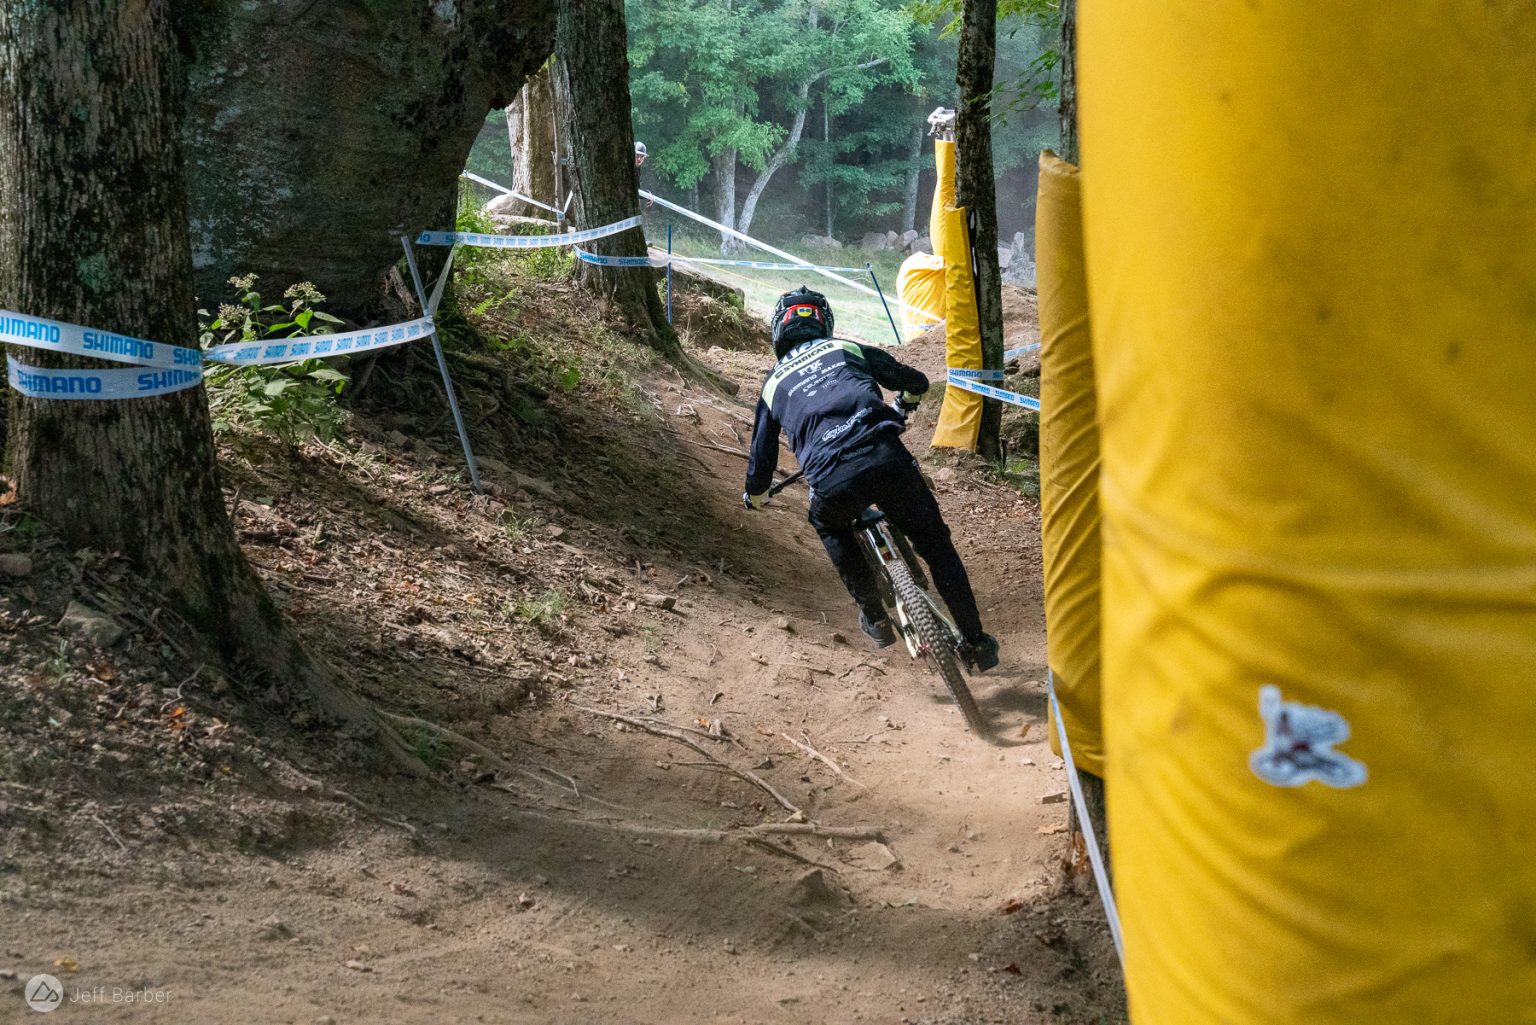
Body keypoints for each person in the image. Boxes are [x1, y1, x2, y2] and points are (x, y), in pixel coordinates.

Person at [741, 287, 1000, 670]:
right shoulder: (847, 349)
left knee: (829, 524)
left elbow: (762, 457)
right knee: (936, 547)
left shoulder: (773, 384)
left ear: (778, 330)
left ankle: (875, 617)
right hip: (886, 457)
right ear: (825, 322)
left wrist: (756, 494)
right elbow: (915, 381)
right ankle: (976, 643)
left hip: (831, 477)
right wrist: (905, 402)